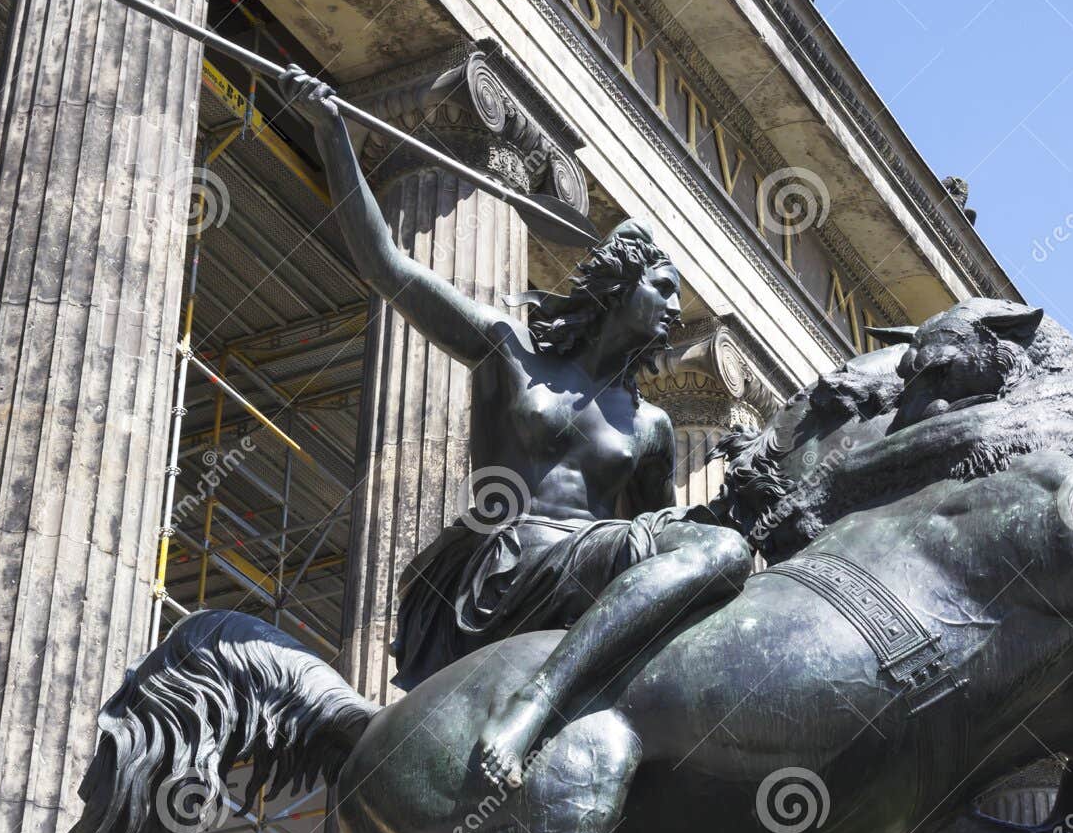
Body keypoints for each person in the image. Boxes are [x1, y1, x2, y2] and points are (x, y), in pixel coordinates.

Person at [283, 68, 752, 787]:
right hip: (504, 561)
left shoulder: (653, 424)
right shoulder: (511, 349)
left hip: (584, 572)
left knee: (695, 574)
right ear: (619, 283)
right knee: (692, 547)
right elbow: (387, 266)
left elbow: (658, 549)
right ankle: (537, 705)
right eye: (662, 288)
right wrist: (332, 135)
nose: (672, 308)